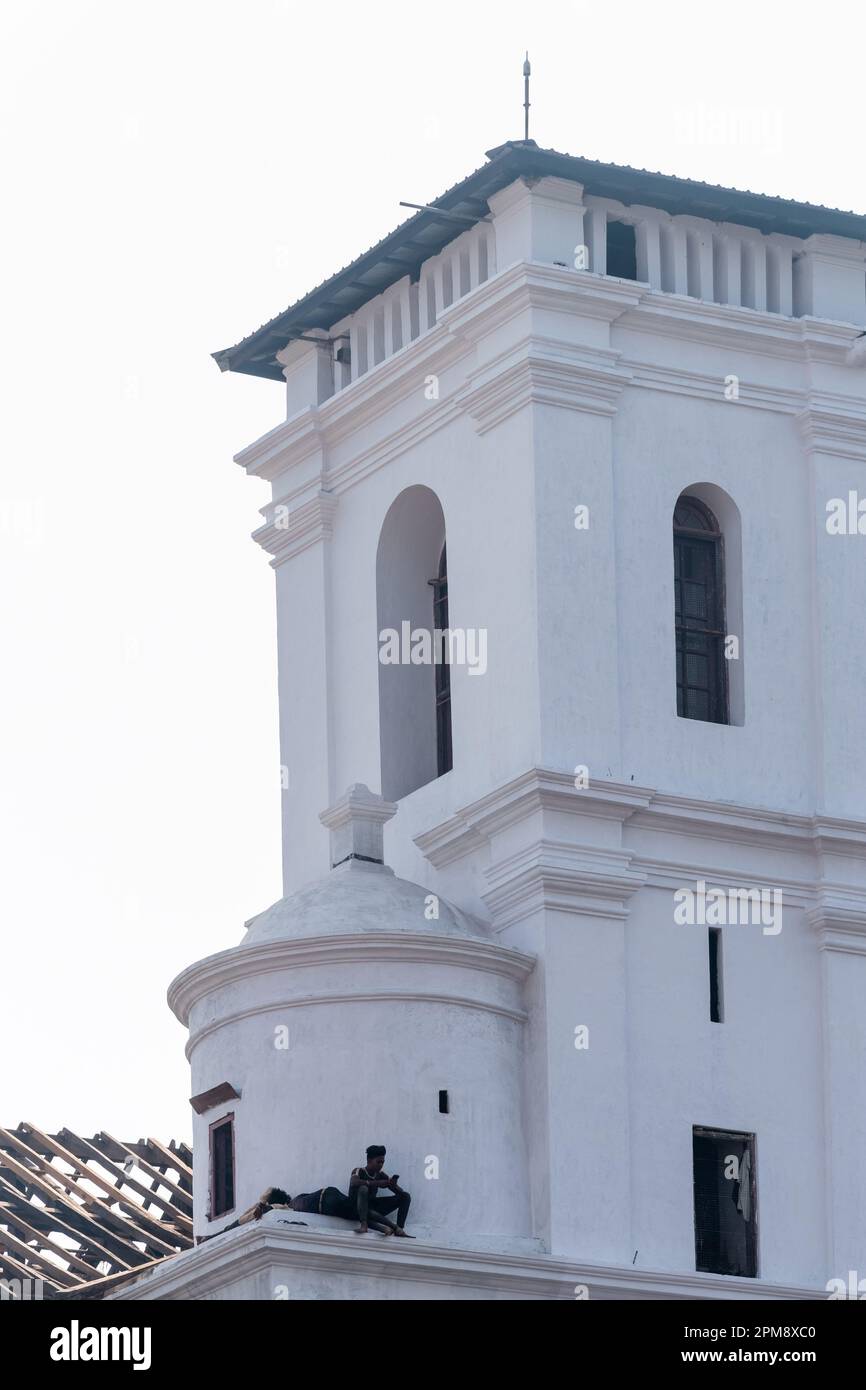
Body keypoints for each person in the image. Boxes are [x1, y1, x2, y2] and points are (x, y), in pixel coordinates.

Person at [349, 1144, 414, 1237]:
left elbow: (399, 1191)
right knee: (363, 1189)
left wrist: (393, 1185)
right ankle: (364, 1224)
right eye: (378, 1162)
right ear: (369, 1160)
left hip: (372, 1207)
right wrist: (377, 1183)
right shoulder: (359, 1170)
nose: (381, 1165)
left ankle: (399, 1229)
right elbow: (354, 1182)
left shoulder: (380, 1174)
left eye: (382, 1162)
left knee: (405, 1196)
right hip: (356, 1207)